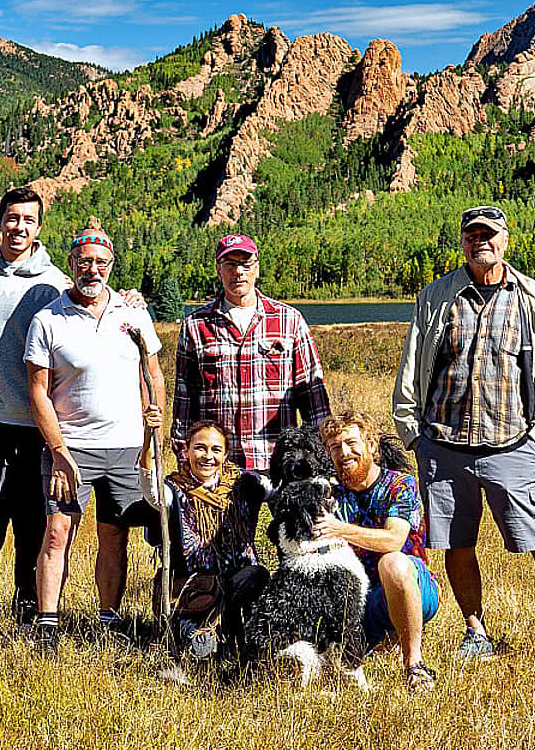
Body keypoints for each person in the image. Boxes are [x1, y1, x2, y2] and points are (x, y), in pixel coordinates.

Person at [392, 204, 535, 670]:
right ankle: (476, 629)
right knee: (458, 543)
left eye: (489, 234)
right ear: (463, 242)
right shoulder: (435, 298)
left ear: (505, 240)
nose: (480, 242)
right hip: (443, 446)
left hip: (513, 446)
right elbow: (411, 369)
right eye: (472, 235)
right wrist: (414, 437)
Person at [0, 188, 147, 631]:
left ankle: (29, 613)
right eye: (12, 218)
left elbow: (92, 295)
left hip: (38, 427)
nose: (18, 227)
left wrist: (129, 300)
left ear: (39, 227)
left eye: (28, 219)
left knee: (32, 527)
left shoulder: (55, 281)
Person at [24, 228, 165, 654]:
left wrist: (153, 424)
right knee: (57, 532)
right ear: (72, 264)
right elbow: (37, 391)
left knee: (115, 533)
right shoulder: (48, 319)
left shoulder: (133, 317)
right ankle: (47, 623)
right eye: (84, 262)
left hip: (125, 446)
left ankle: (109, 619)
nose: (93, 270)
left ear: (111, 266)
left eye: (101, 263)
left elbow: (152, 373)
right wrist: (59, 451)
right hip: (72, 447)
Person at [171, 233, 331, 474]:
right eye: (230, 264)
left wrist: (320, 459)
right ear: (219, 269)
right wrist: (184, 457)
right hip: (219, 465)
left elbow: (313, 397)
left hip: (281, 462)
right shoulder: (196, 325)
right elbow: (185, 400)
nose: (239, 272)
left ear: (257, 268)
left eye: (246, 264)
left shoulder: (289, 321)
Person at [314, 412, 439, 691]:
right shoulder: (327, 492)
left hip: (414, 586)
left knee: (393, 563)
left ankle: (414, 666)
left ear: (371, 444)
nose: (344, 453)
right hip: (359, 598)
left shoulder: (400, 484)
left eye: (351, 443)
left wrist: (339, 529)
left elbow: (394, 540)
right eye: (335, 447)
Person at [138, 417, 269, 661]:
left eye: (215, 449)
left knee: (257, 575)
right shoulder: (174, 490)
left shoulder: (245, 483)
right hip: (196, 591)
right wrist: (148, 440)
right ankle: (202, 636)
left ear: (226, 454)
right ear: (186, 451)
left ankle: (251, 641)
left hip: (238, 584)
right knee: (203, 651)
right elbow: (150, 488)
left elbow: (281, 490)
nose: (207, 456)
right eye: (199, 448)